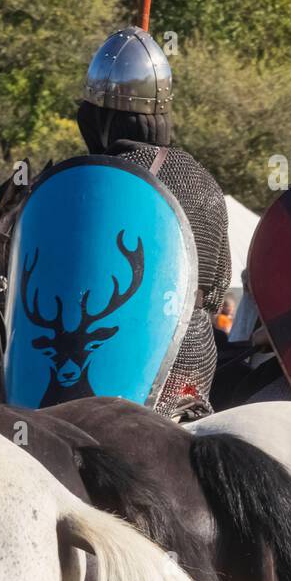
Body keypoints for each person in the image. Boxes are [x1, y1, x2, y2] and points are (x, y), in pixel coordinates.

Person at [78, 25, 231, 420]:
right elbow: (214, 295)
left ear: (98, 119)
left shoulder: (91, 184)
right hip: (188, 373)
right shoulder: (204, 183)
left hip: (98, 379)